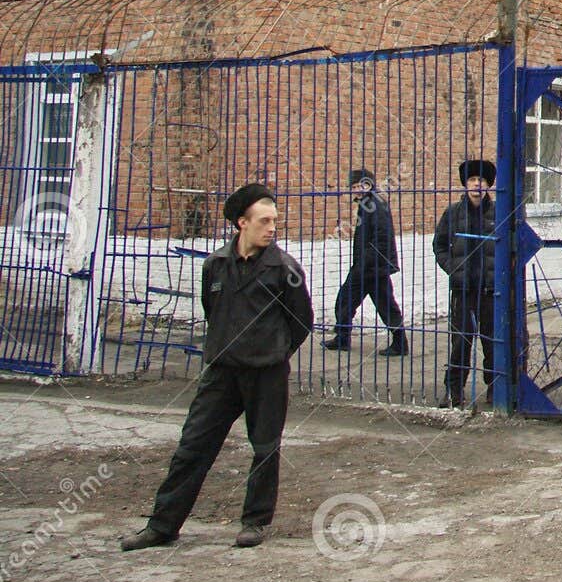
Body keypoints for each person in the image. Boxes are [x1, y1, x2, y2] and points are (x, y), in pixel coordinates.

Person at [120, 184, 312, 550]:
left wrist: (274, 351)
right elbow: (213, 312)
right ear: (242, 222)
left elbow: (301, 321)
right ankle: (163, 525)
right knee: (192, 446)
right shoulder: (216, 265)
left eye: (274, 221)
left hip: (266, 373)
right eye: (264, 221)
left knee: (265, 448)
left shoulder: (284, 269)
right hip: (222, 372)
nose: (272, 228)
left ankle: (255, 522)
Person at [433, 159, 497, 409]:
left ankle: (496, 388)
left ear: (488, 185)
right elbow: (439, 245)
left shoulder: (498, 212)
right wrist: (453, 267)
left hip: (491, 290)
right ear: (465, 184)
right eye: (472, 180)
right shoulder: (453, 213)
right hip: (463, 290)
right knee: (460, 342)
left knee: (492, 342)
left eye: (481, 180)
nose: (476, 185)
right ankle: (454, 390)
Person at [325, 168, 406, 356]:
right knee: (348, 300)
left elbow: (382, 239)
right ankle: (342, 338)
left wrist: (364, 263)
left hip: (373, 268)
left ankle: (400, 343)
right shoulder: (368, 204)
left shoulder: (376, 205)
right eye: (353, 187)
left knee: (384, 306)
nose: (356, 190)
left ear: (368, 185)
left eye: (359, 186)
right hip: (367, 267)